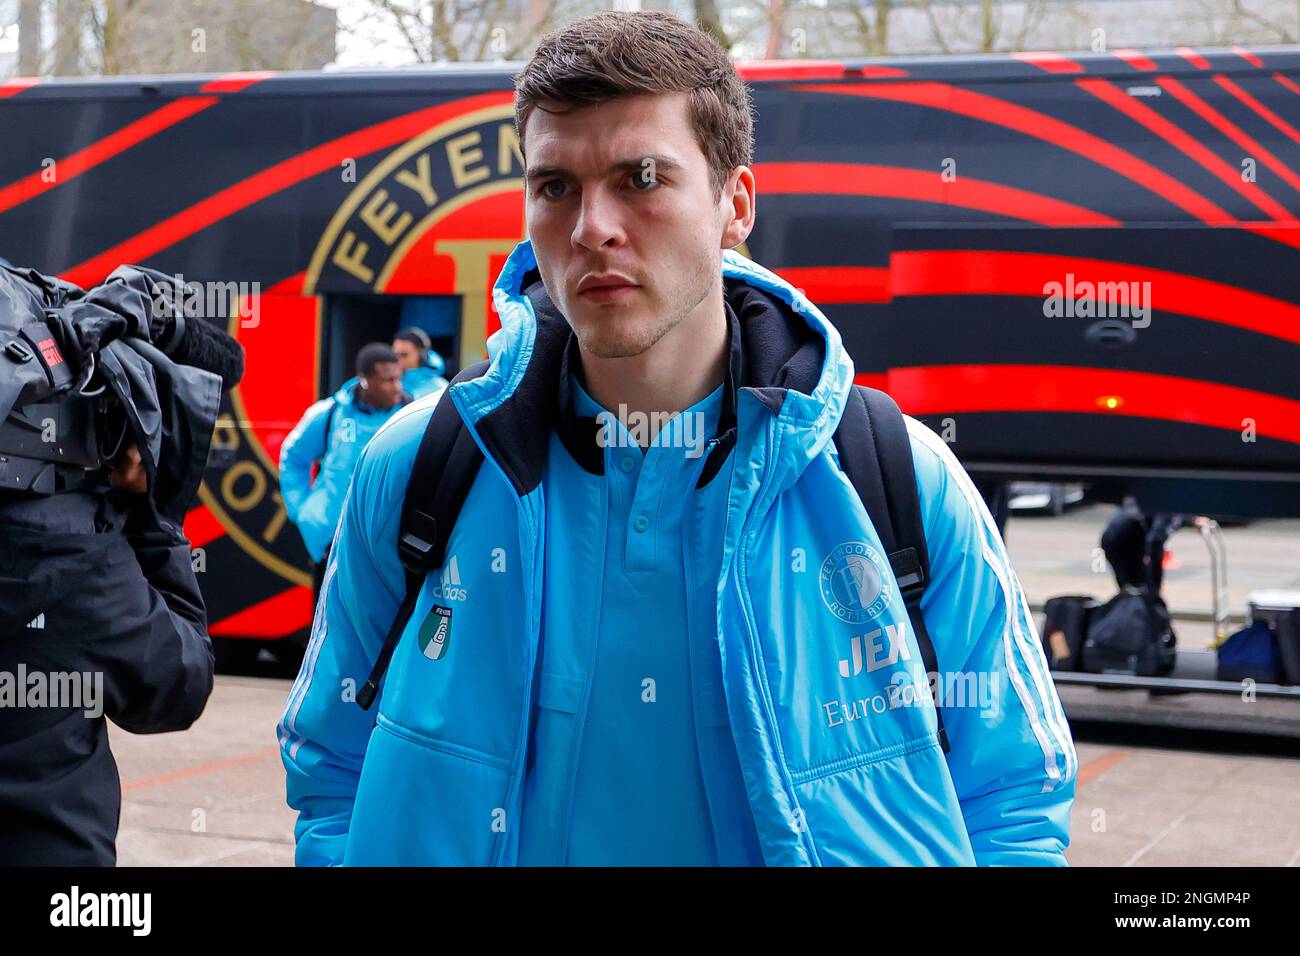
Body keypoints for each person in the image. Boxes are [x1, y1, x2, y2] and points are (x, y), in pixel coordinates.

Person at [279, 11, 1076, 866]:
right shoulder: (416, 467)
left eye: (641, 178)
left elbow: (1015, 800)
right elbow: (330, 769)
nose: (593, 227)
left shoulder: (898, 479)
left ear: (734, 205)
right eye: (555, 187)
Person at [279, 343, 421, 589]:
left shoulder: (413, 416)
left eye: (399, 378)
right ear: (364, 380)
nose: (398, 387)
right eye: (388, 380)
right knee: (327, 624)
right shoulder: (330, 413)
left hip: (390, 547)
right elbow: (293, 458)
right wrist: (303, 510)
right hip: (332, 541)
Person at [392, 327, 448, 400]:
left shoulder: (439, 387)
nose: (398, 360)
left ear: (421, 355)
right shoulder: (390, 384)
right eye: (395, 355)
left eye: (404, 354)